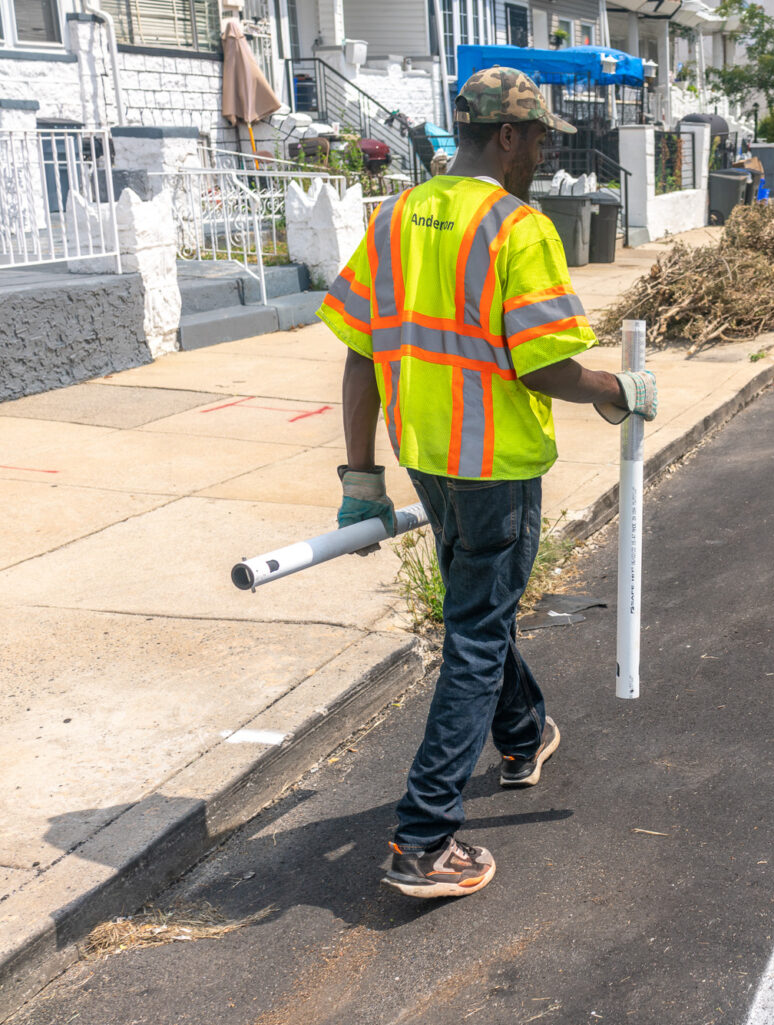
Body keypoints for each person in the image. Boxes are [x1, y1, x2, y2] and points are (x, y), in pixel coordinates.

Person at [318, 67, 658, 898]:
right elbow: (544, 365)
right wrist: (622, 392)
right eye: (540, 137)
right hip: (494, 467)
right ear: (506, 135)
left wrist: (361, 472)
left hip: (427, 454)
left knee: (481, 607)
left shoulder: (397, 216)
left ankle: (523, 732)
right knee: (476, 631)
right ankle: (424, 837)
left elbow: (361, 353)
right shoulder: (517, 226)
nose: (543, 152)